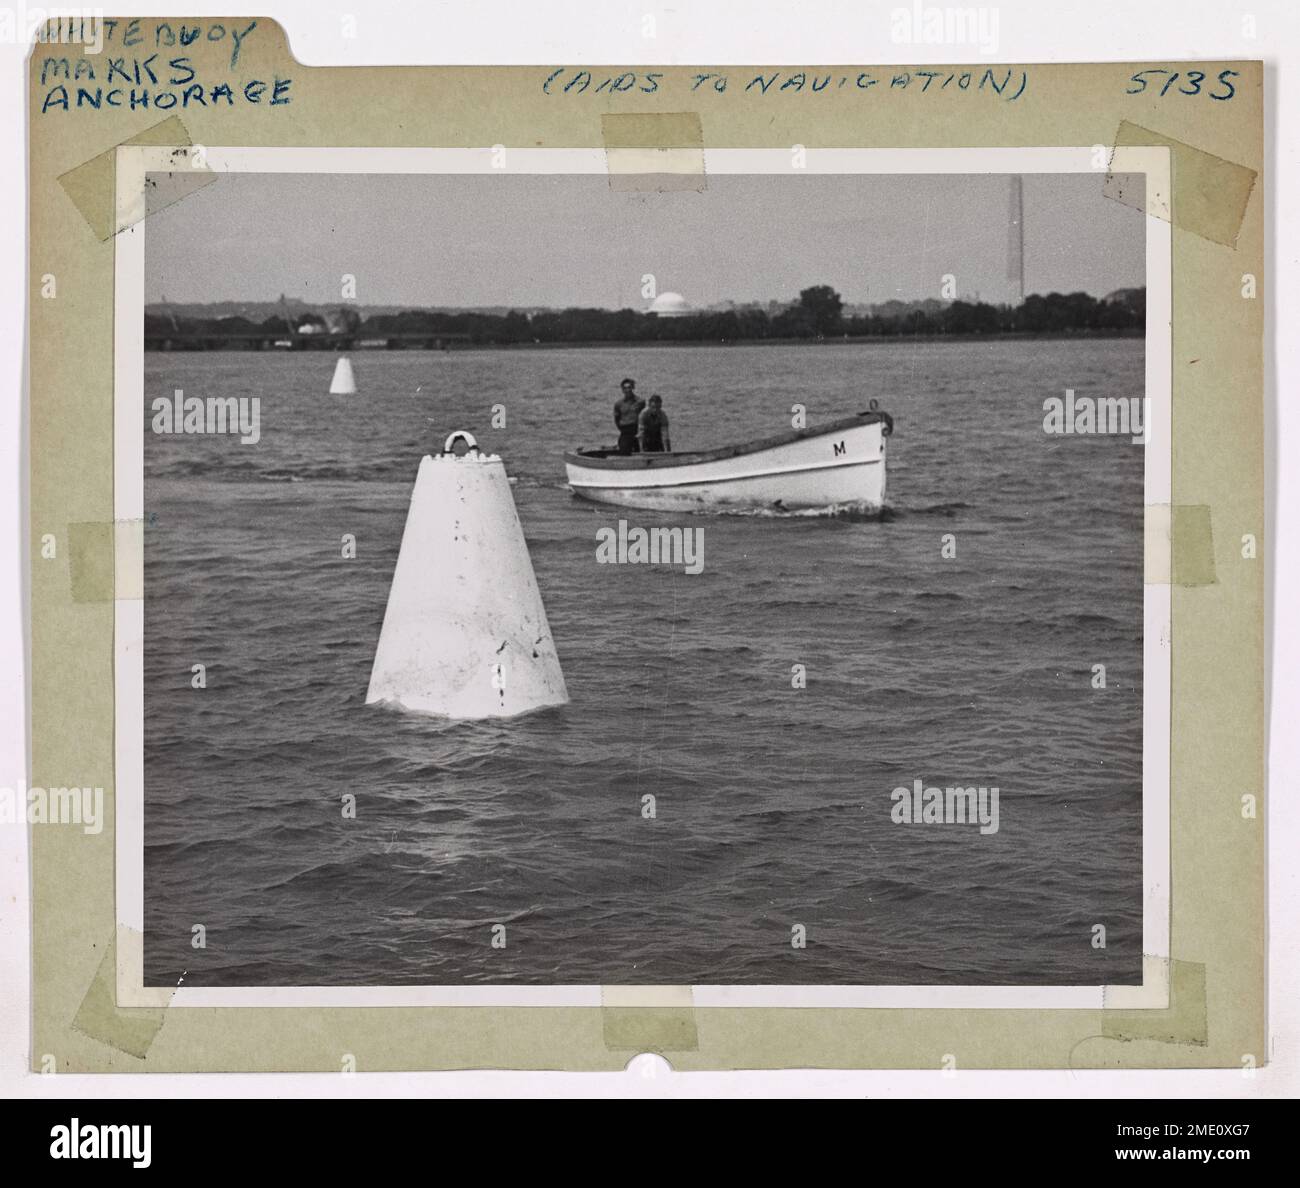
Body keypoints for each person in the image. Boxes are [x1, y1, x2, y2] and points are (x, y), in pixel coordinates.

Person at [613, 378, 645, 455]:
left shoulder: (640, 402)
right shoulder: (618, 404)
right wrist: (622, 428)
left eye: (629, 387)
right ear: (622, 390)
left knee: (639, 453)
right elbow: (617, 419)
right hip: (625, 431)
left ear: (633, 388)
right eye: (625, 388)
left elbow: (644, 416)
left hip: (636, 430)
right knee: (624, 452)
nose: (627, 390)